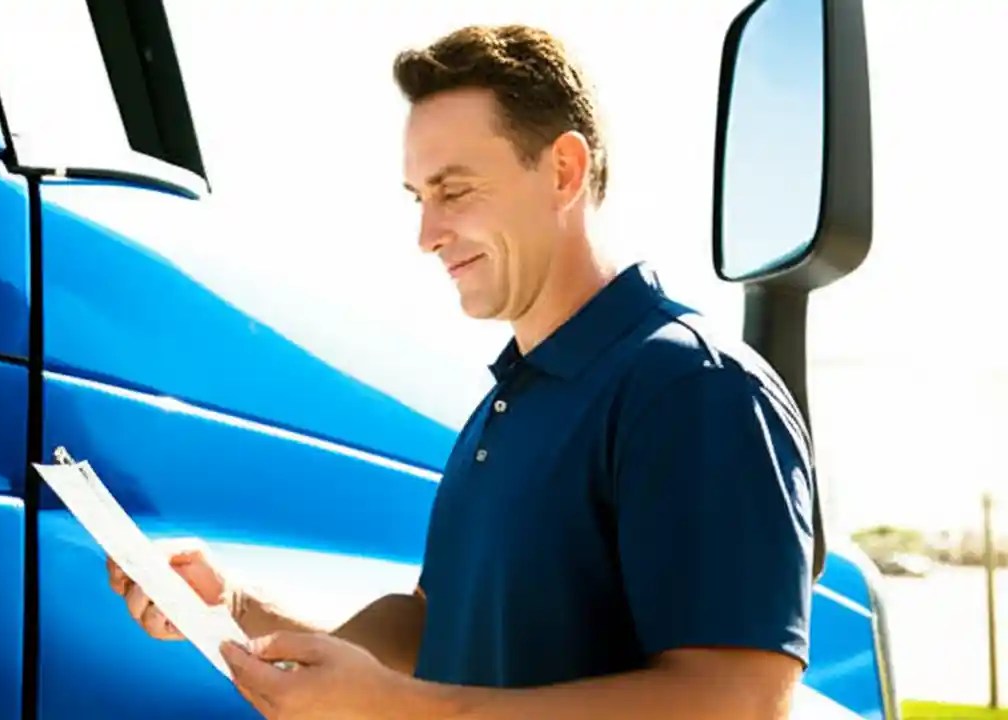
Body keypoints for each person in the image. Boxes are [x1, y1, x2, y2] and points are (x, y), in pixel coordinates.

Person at [107, 24, 815, 720]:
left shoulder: (694, 389)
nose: (427, 234)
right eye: (420, 197)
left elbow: (741, 702)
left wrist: (406, 711)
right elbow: (433, 628)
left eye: (455, 190)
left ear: (563, 171)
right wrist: (233, 607)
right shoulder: (510, 402)